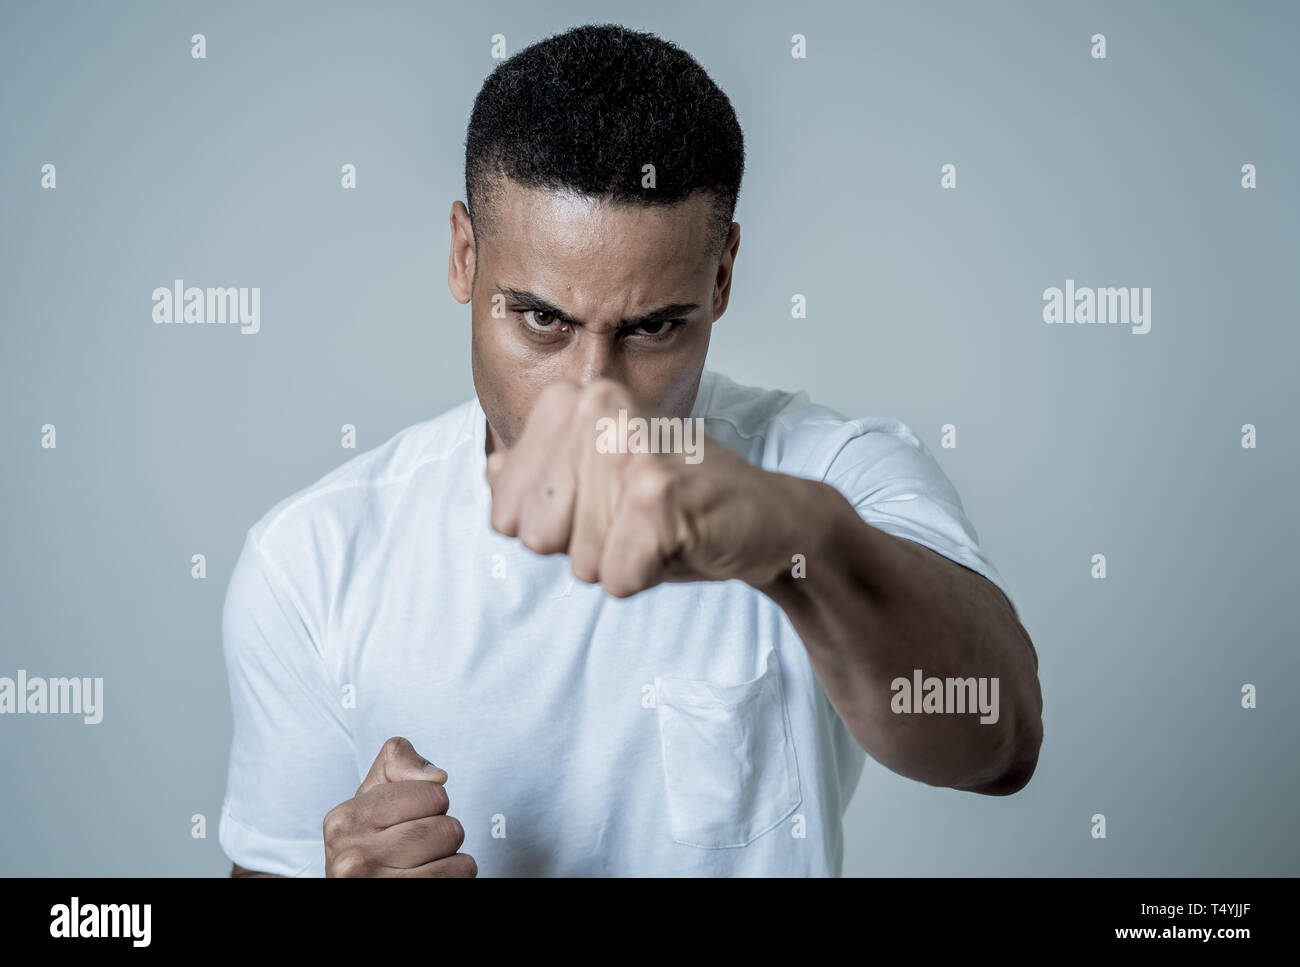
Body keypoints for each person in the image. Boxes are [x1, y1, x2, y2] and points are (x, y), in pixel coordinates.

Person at [221, 23, 1042, 878]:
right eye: (543, 318)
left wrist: (800, 541)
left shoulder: (829, 472)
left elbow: (1002, 738)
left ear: (721, 277)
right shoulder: (311, 560)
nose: (593, 394)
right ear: (465, 255)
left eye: (653, 327)